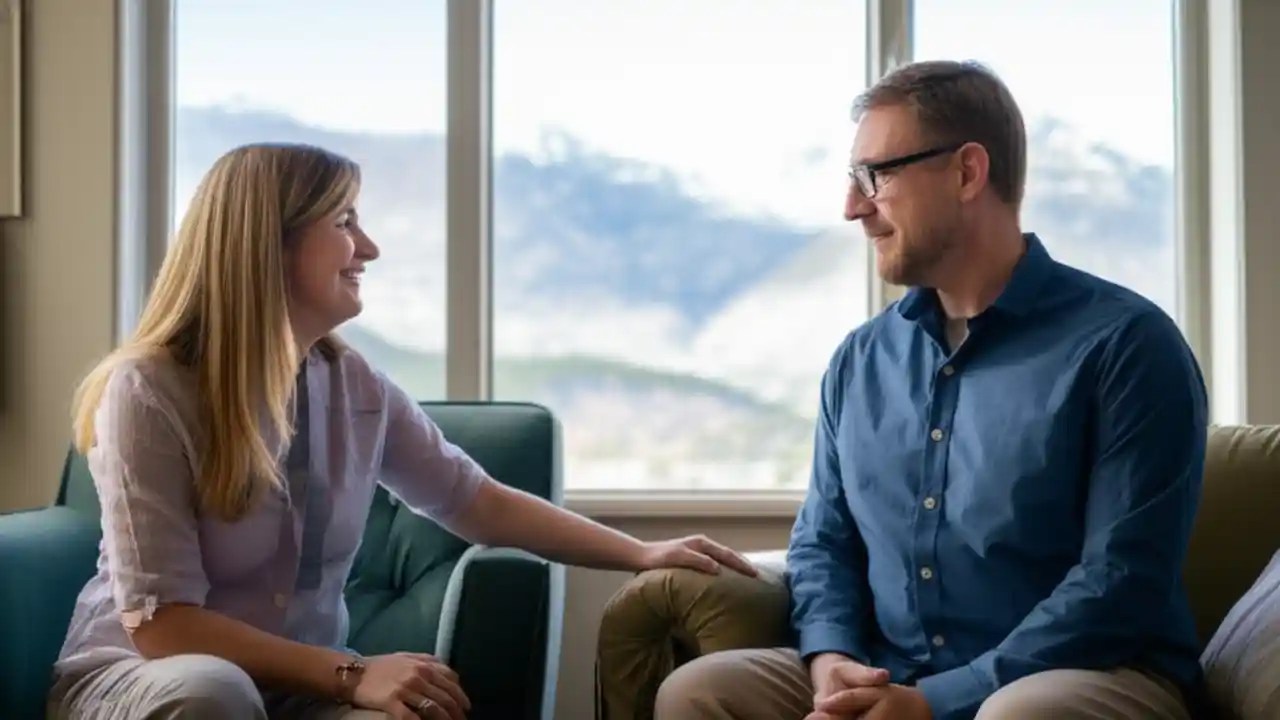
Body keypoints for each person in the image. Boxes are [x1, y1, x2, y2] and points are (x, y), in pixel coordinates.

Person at [48, 142, 758, 720]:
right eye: (345, 222)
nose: (370, 247)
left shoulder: (354, 386)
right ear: (271, 242)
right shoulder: (148, 389)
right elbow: (164, 626)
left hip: (297, 694)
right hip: (144, 684)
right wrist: (353, 673)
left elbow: (477, 503)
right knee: (214, 690)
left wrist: (641, 552)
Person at [654, 60, 1207, 720]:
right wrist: (831, 662)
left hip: (1088, 671)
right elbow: (823, 542)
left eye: (876, 176)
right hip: (893, 670)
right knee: (700, 691)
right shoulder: (860, 361)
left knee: (1015, 715)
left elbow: (1120, 582)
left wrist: (934, 702)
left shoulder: (1127, 345)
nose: (852, 206)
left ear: (967, 172)